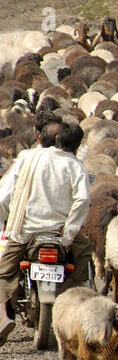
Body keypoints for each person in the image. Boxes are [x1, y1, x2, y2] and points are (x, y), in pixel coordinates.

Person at [0, 118, 92, 345]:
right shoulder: (75, 165)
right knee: (83, 262)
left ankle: (2, 318)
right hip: (58, 233)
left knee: (3, 273)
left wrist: (7, 222)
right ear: (77, 145)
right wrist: (69, 233)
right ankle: (81, 308)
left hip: (26, 231)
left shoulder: (28, 157)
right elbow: (82, 200)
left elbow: (5, 195)